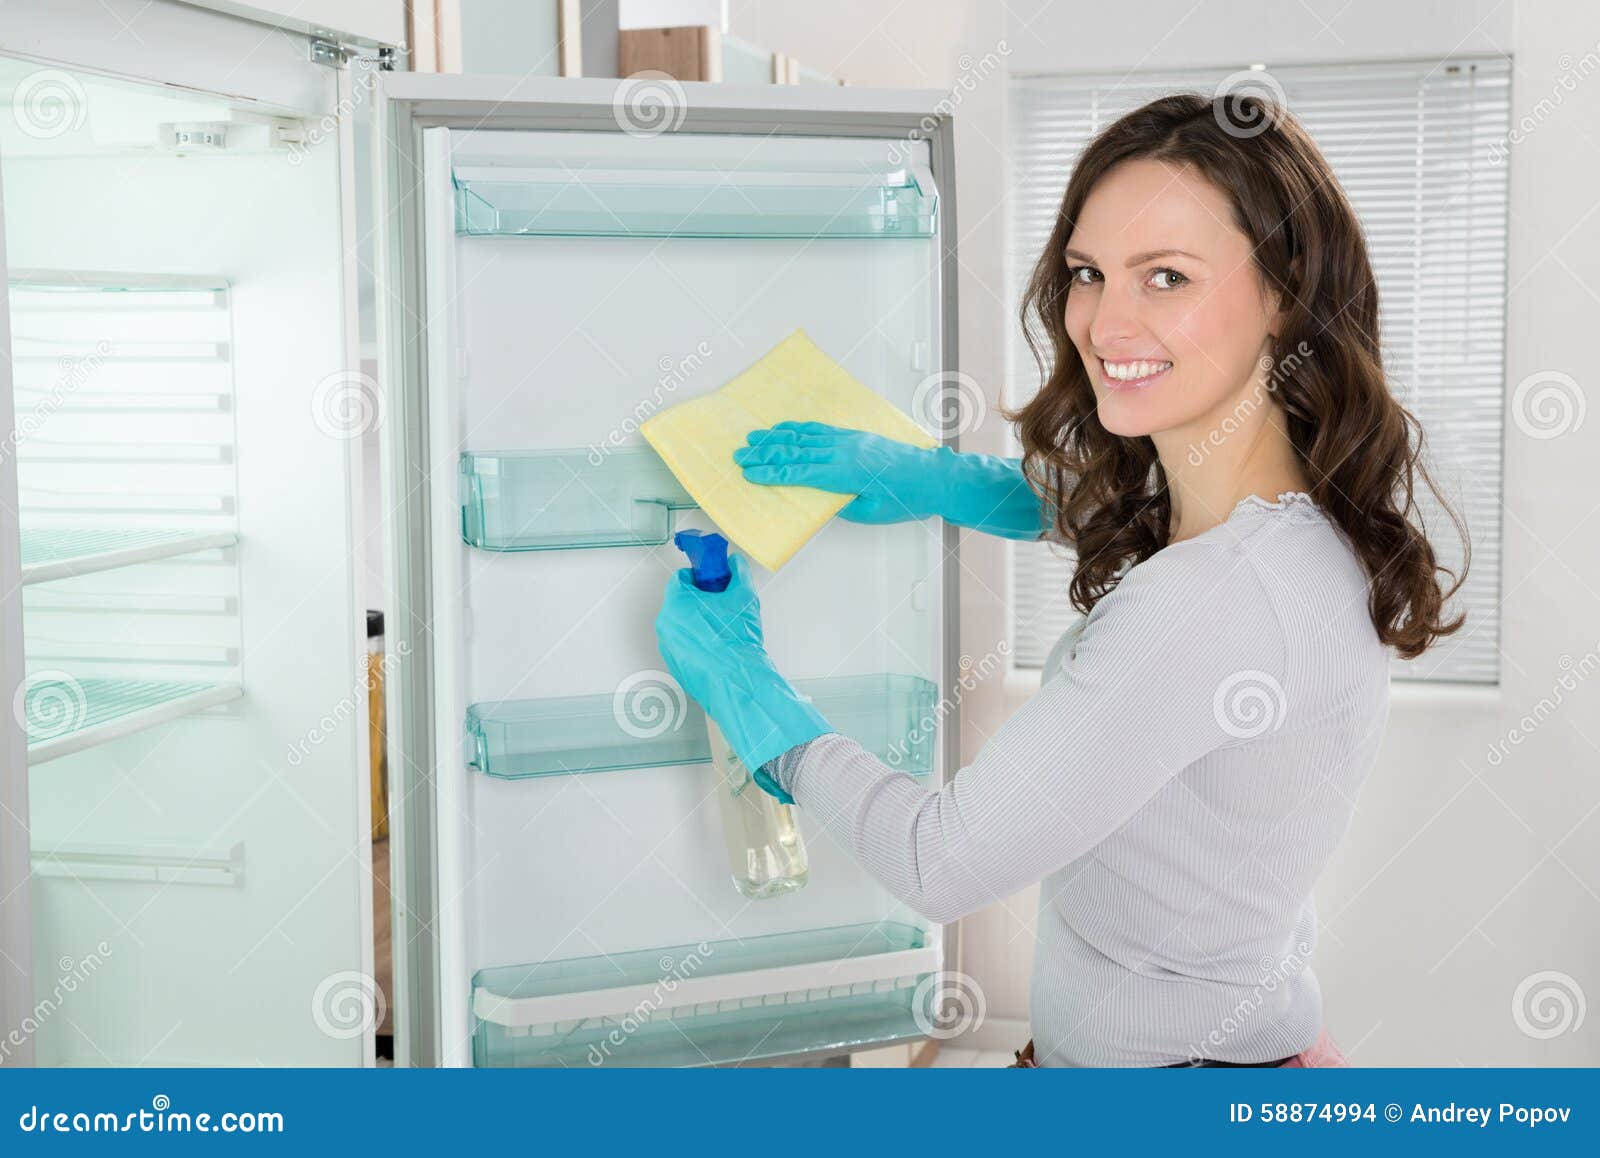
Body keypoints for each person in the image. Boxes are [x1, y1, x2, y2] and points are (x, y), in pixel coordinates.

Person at [654, 92, 1466, 1068]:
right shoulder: (1304, 516)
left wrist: (753, 701)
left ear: (1283, 295)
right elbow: (1137, 506)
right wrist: (939, 480)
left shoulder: (1205, 605)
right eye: (1088, 272)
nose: (1105, 321)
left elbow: (938, 860)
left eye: (1165, 276)